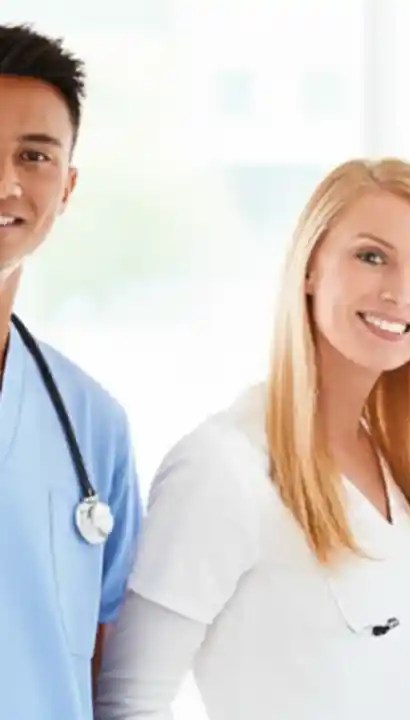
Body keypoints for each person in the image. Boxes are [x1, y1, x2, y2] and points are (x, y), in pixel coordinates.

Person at [94, 158, 410, 719]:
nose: (401, 293)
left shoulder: (404, 475)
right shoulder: (224, 467)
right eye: (372, 257)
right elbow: (127, 703)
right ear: (309, 269)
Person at [0, 23, 142, 720]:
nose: (5, 182)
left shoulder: (92, 427)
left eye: (34, 156)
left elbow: (104, 667)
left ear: (67, 186)